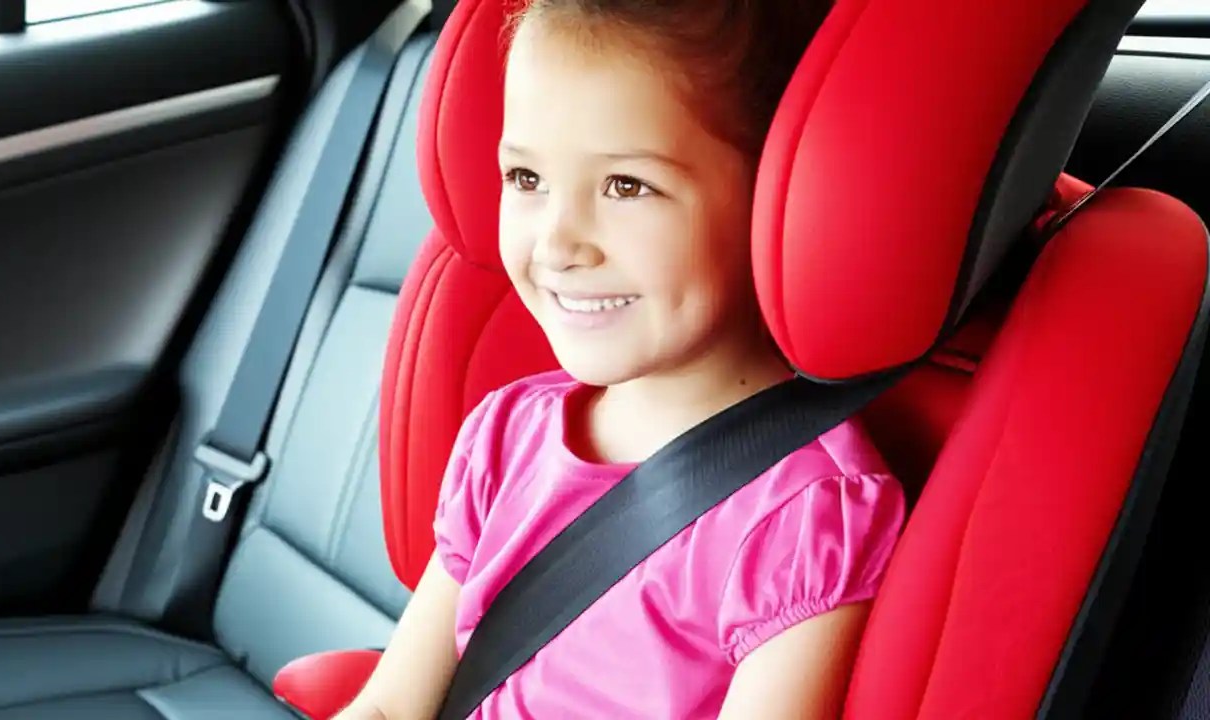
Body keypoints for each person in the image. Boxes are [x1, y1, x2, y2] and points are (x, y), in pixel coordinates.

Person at [341, 1, 904, 717]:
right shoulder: (506, 438)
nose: (557, 243)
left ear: (778, 197)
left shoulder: (800, 519)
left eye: (627, 186)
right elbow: (392, 707)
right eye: (525, 180)